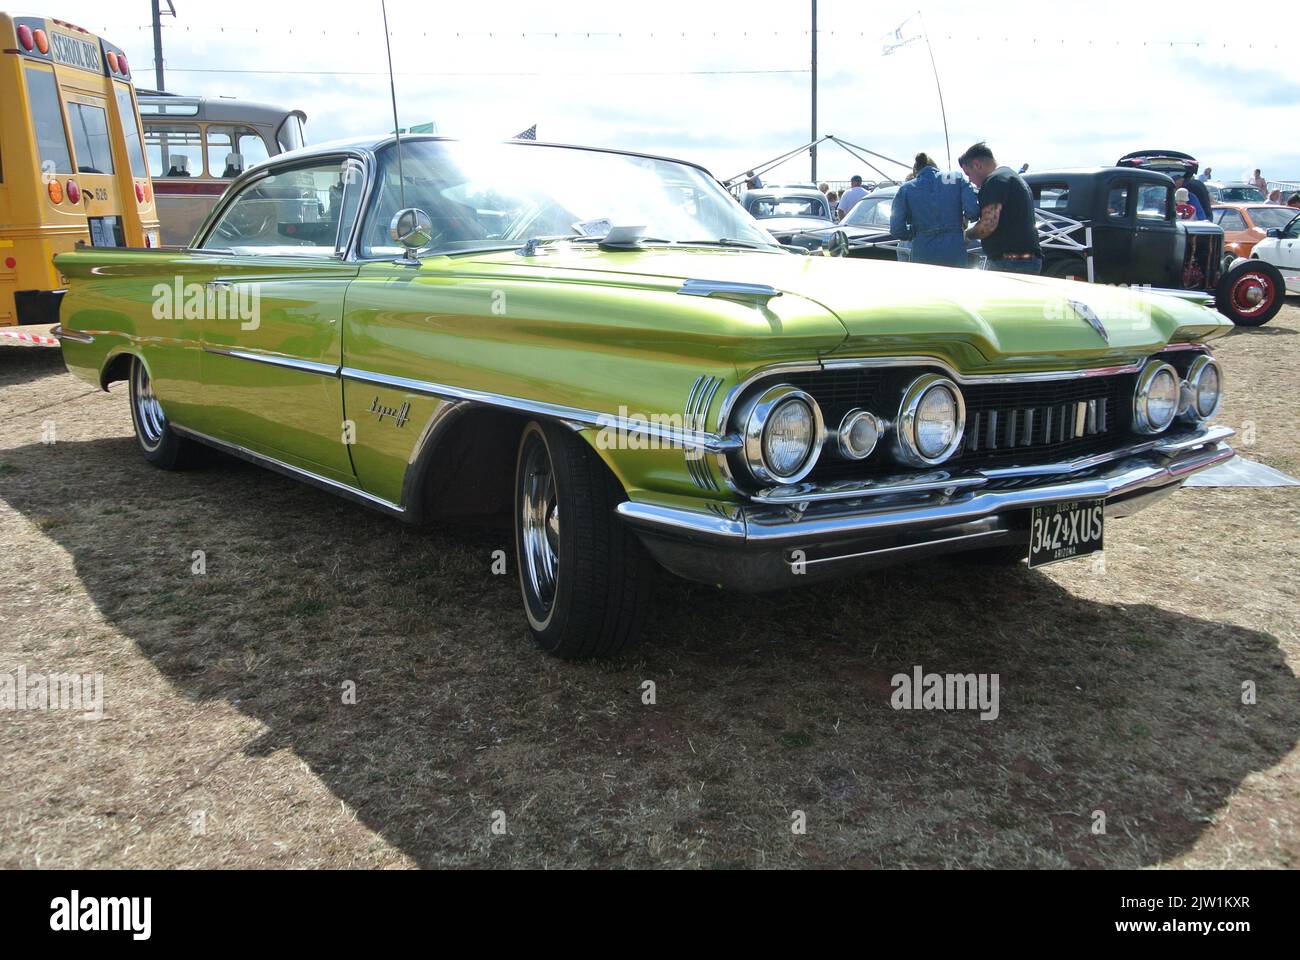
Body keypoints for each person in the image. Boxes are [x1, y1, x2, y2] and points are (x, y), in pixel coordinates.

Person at [958, 142, 1042, 274]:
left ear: (977, 165)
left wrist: (966, 235)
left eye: (968, 174)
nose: (969, 179)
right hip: (1025, 259)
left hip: (1011, 262)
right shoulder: (1011, 176)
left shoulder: (995, 181)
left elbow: (988, 225)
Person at [889, 151, 979, 268]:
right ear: (936, 167)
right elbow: (973, 211)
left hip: (923, 250)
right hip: (954, 250)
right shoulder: (957, 178)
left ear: (916, 171)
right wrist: (964, 220)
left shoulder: (906, 189)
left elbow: (896, 229)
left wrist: (913, 233)